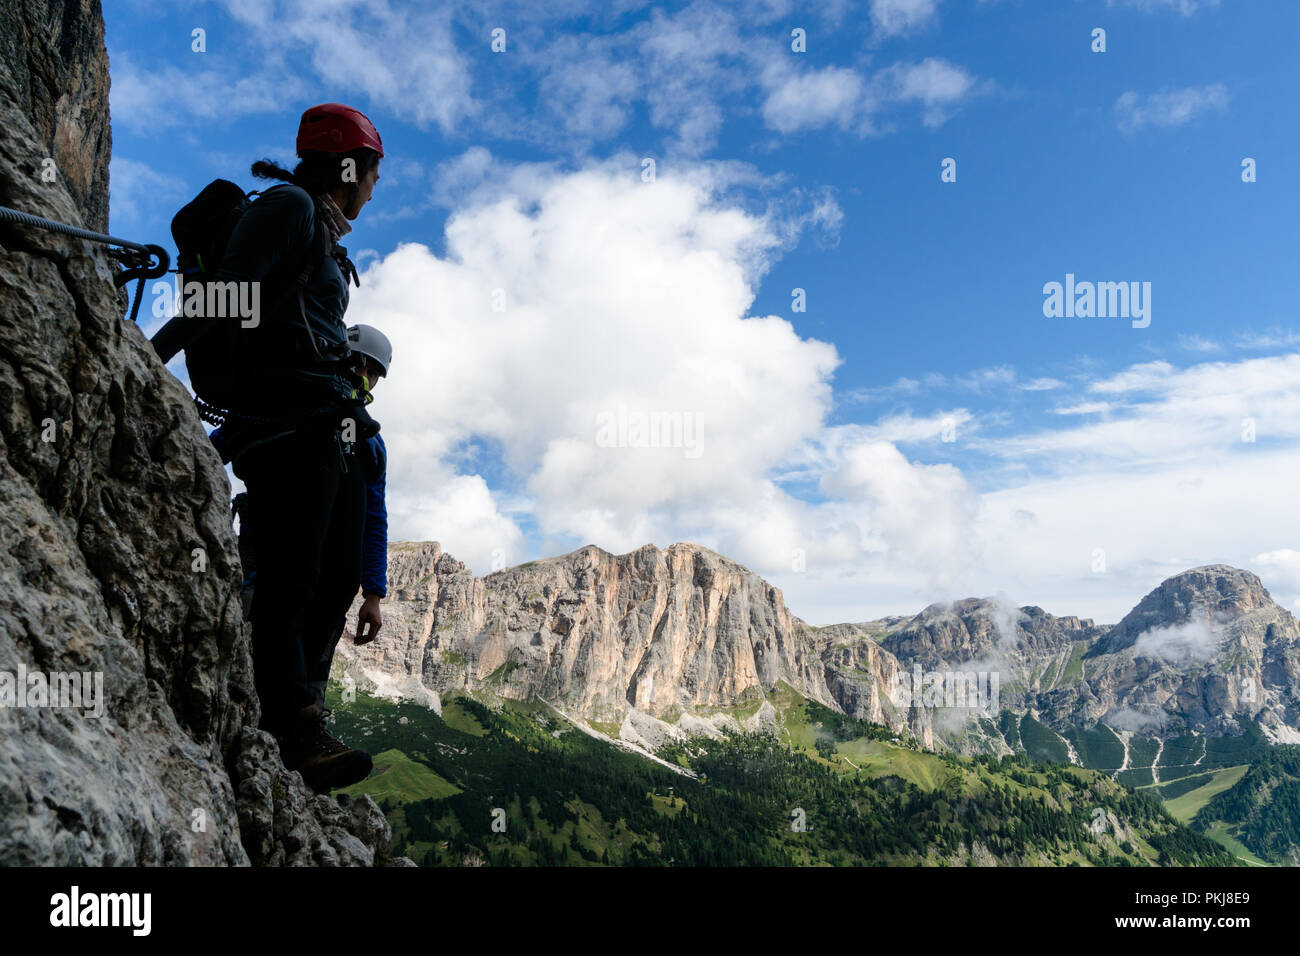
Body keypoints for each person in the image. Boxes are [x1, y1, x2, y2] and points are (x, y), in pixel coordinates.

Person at [161, 103, 386, 792]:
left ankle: (299, 705)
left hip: (325, 422)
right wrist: (144, 356)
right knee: (291, 578)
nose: (374, 188)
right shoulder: (288, 208)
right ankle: (294, 728)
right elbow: (228, 296)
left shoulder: (318, 228)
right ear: (350, 168)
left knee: (337, 573)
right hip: (289, 423)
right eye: (373, 173)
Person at [306, 324, 391, 712]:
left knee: (319, 640)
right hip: (277, 552)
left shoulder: (371, 442)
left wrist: (373, 594)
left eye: (374, 372)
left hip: (334, 570)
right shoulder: (301, 403)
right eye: (362, 366)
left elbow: (374, 519)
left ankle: (309, 721)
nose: (367, 377)